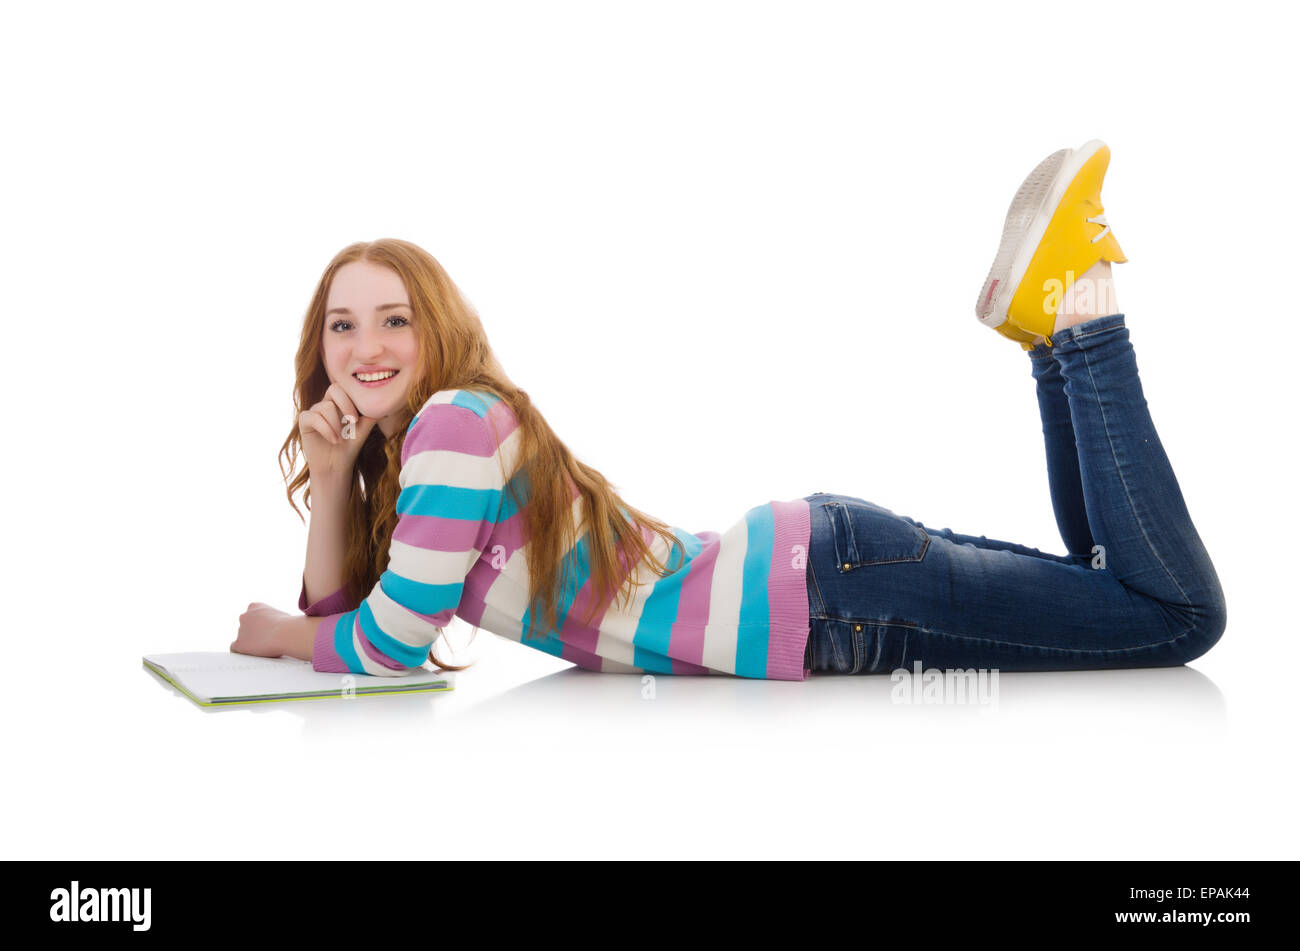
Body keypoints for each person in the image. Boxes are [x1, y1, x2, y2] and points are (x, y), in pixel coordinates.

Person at [231, 139, 1226, 679]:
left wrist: (279, 635)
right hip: (826, 573)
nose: (365, 349)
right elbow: (351, 623)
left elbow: (377, 645)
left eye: (393, 320)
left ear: (434, 329)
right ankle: (1049, 339)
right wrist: (328, 482)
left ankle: (1081, 311)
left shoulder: (450, 424)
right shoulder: (443, 441)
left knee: (1175, 617)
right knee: (1106, 589)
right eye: (342, 327)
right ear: (317, 350)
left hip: (831, 596)